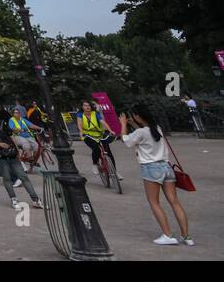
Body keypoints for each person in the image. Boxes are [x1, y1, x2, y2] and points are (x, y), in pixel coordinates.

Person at [121, 104, 192, 246]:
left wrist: (123, 124)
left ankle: (168, 235)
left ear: (138, 116)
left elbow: (126, 140)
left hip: (151, 168)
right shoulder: (157, 128)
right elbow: (145, 133)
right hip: (166, 167)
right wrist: (134, 124)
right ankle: (186, 237)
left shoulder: (141, 133)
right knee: (174, 202)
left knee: (154, 202)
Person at [0, 105, 42, 210]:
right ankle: (14, 199)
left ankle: (36, 199)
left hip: (12, 152)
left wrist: (17, 149)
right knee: (7, 178)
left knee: (23, 176)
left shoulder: (3, 122)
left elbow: (11, 136)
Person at [78, 100, 116, 176]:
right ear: (82, 107)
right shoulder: (80, 115)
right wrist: (81, 132)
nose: (87, 107)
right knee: (96, 149)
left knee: (108, 152)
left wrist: (110, 130)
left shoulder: (95, 114)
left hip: (99, 134)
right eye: (85, 105)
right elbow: (80, 124)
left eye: (89, 105)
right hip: (88, 136)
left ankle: (115, 172)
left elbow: (103, 122)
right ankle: (95, 164)